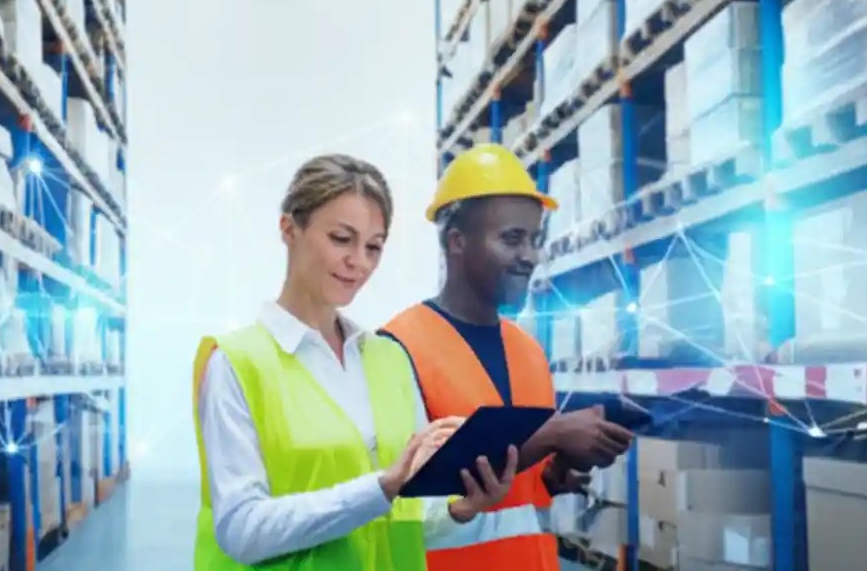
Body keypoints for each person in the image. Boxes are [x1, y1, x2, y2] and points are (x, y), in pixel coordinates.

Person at [193, 153, 520, 570]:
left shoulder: (388, 358)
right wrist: (380, 488)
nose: (359, 262)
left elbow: (410, 515)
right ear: (289, 229)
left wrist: (461, 506)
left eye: (373, 247)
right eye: (341, 239)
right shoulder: (236, 364)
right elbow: (241, 529)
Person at [382, 143, 636, 571]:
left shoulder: (529, 352)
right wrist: (553, 434)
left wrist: (555, 474)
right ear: (456, 242)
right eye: (511, 239)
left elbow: (518, 497)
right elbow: (403, 505)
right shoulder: (397, 348)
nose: (530, 256)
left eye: (535, 239)